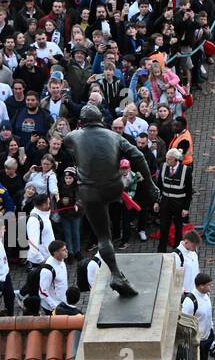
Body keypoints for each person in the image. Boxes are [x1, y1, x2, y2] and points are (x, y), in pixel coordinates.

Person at [61, 104, 156, 298]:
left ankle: (115, 273)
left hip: (90, 192)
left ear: (81, 122)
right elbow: (138, 156)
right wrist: (150, 183)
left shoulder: (74, 136)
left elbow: (64, 142)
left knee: (104, 237)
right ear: (100, 121)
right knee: (118, 190)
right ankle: (125, 185)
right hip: (114, 187)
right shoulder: (114, 136)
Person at [182, 270, 215, 360]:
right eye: (208, 285)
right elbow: (185, 322)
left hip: (207, 337)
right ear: (201, 286)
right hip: (199, 340)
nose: (210, 287)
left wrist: (211, 333)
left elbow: (208, 316)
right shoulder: (190, 302)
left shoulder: (206, 296)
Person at [155, 147, 193, 254]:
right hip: (165, 202)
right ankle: (161, 250)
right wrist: (157, 201)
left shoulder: (186, 170)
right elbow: (159, 187)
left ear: (176, 160)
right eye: (166, 159)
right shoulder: (163, 167)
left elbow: (189, 191)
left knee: (178, 227)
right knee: (163, 226)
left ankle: (177, 250)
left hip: (179, 203)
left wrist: (186, 208)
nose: (166, 161)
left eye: (169, 159)